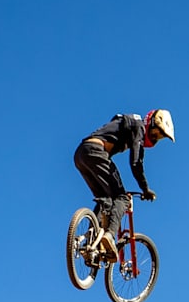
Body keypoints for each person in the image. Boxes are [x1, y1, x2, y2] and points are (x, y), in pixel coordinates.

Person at [73, 109, 174, 260]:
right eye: (155, 134)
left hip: (81, 154)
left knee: (105, 199)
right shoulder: (139, 127)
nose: (154, 139)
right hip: (95, 151)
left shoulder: (129, 123)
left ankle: (91, 245)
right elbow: (136, 163)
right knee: (121, 198)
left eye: (158, 138)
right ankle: (109, 236)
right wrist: (145, 189)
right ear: (150, 122)